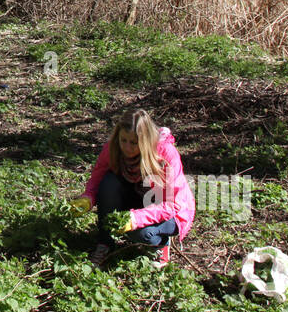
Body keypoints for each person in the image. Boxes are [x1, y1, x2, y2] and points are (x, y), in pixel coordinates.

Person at [68, 108, 195, 267]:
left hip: (170, 212)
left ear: (146, 140)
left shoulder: (165, 154)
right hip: (139, 197)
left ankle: (161, 244)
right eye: (124, 140)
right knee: (109, 182)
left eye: (134, 143)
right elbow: (97, 179)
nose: (127, 148)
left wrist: (136, 219)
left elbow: (171, 205)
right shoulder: (112, 148)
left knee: (140, 233)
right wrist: (87, 198)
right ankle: (105, 242)